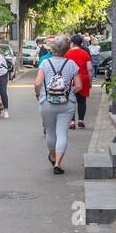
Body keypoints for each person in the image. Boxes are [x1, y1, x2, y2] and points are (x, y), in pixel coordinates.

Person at [35, 36, 80, 174]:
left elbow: (37, 83)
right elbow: (79, 86)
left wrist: (39, 95)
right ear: (66, 49)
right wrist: (69, 92)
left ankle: (53, 157)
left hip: (47, 102)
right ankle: (58, 164)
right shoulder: (72, 64)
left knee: (50, 132)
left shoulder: (45, 63)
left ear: (52, 49)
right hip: (67, 103)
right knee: (62, 133)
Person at [66, 33, 93, 130]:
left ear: (72, 43)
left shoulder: (67, 54)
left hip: (71, 79)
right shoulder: (85, 53)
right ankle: (81, 120)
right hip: (83, 79)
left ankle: (72, 121)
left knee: (71, 101)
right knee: (82, 101)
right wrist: (90, 81)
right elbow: (89, 69)